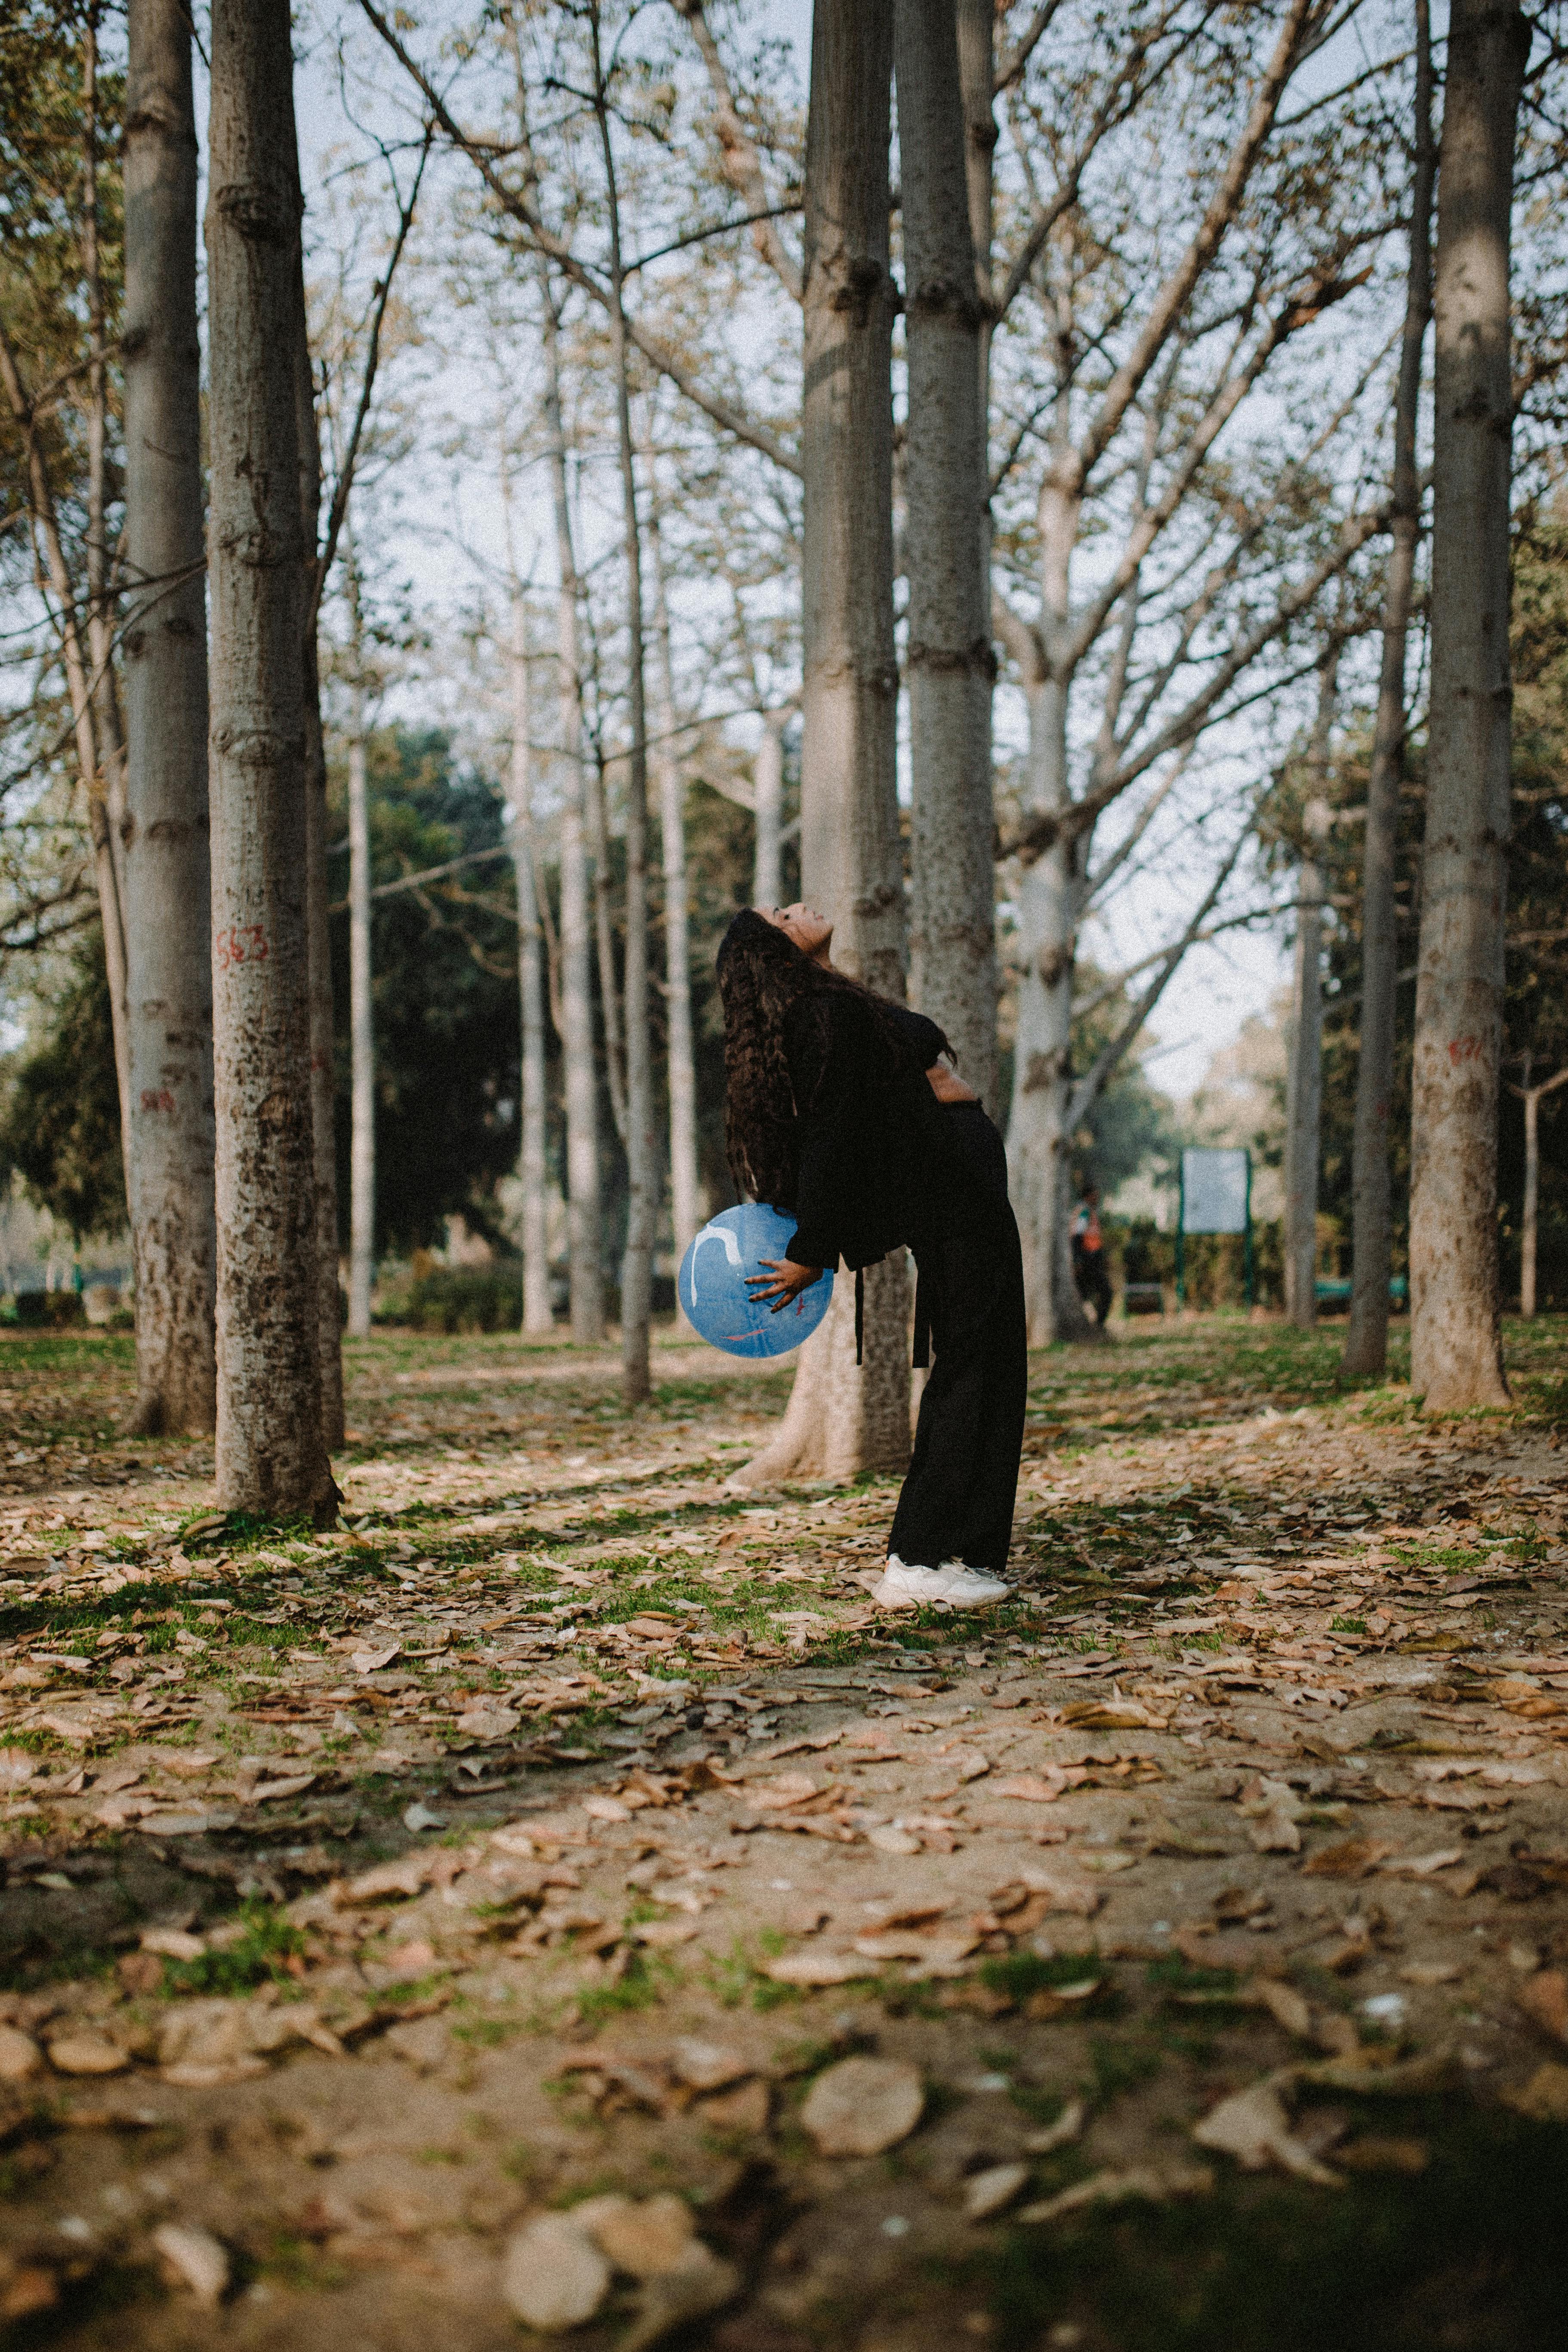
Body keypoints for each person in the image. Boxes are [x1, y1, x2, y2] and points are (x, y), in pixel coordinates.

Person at [715, 903, 1026, 1610]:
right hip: (949, 1195)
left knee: (994, 1362)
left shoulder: (832, 998)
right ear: (775, 952)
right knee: (971, 1365)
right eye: (781, 915)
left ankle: (968, 1553)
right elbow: (831, 1131)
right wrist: (811, 1250)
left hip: (965, 1187)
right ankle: (915, 1559)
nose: (797, 906)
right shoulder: (819, 1015)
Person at [1071, 1184, 1112, 1326]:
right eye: (1095, 1195)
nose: (1097, 1198)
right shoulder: (1084, 1212)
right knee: (1105, 1292)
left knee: (1088, 1294)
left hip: (1092, 1258)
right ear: (1088, 1196)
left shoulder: (1089, 1211)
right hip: (1088, 1260)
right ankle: (1098, 1324)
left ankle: (1094, 1323)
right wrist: (1078, 1260)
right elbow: (1077, 1236)